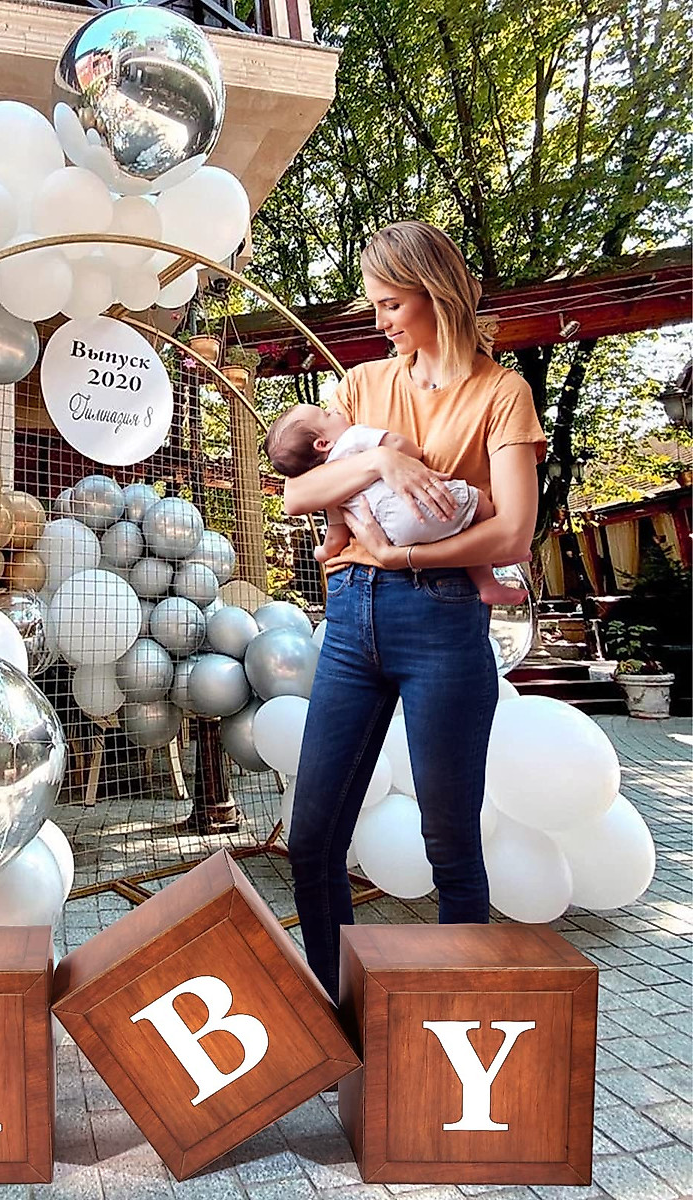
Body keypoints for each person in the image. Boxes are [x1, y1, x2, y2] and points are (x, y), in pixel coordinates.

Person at [276, 220, 546, 1003]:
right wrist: (383, 459)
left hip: (440, 623)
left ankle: (452, 1026)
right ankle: (335, 1014)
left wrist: (405, 557)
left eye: (393, 304)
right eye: (375, 307)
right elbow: (298, 491)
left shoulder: (502, 393)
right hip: (350, 620)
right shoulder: (363, 386)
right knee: (313, 840)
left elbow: (513, 531)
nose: (382, 321)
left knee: (451, 845)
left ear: (437, 295)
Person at [265, 403, 527, 607]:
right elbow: (404, 448)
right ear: (323, 443)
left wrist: (321, 552)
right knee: (478, 503)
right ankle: (491, 568)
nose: (334, 409)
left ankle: (487, 581)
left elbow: (336, 536)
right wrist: (403, 454)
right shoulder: (353, 438)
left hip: (391, 536)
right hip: (419, 506)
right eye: (326, 414)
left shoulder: (331, 486)